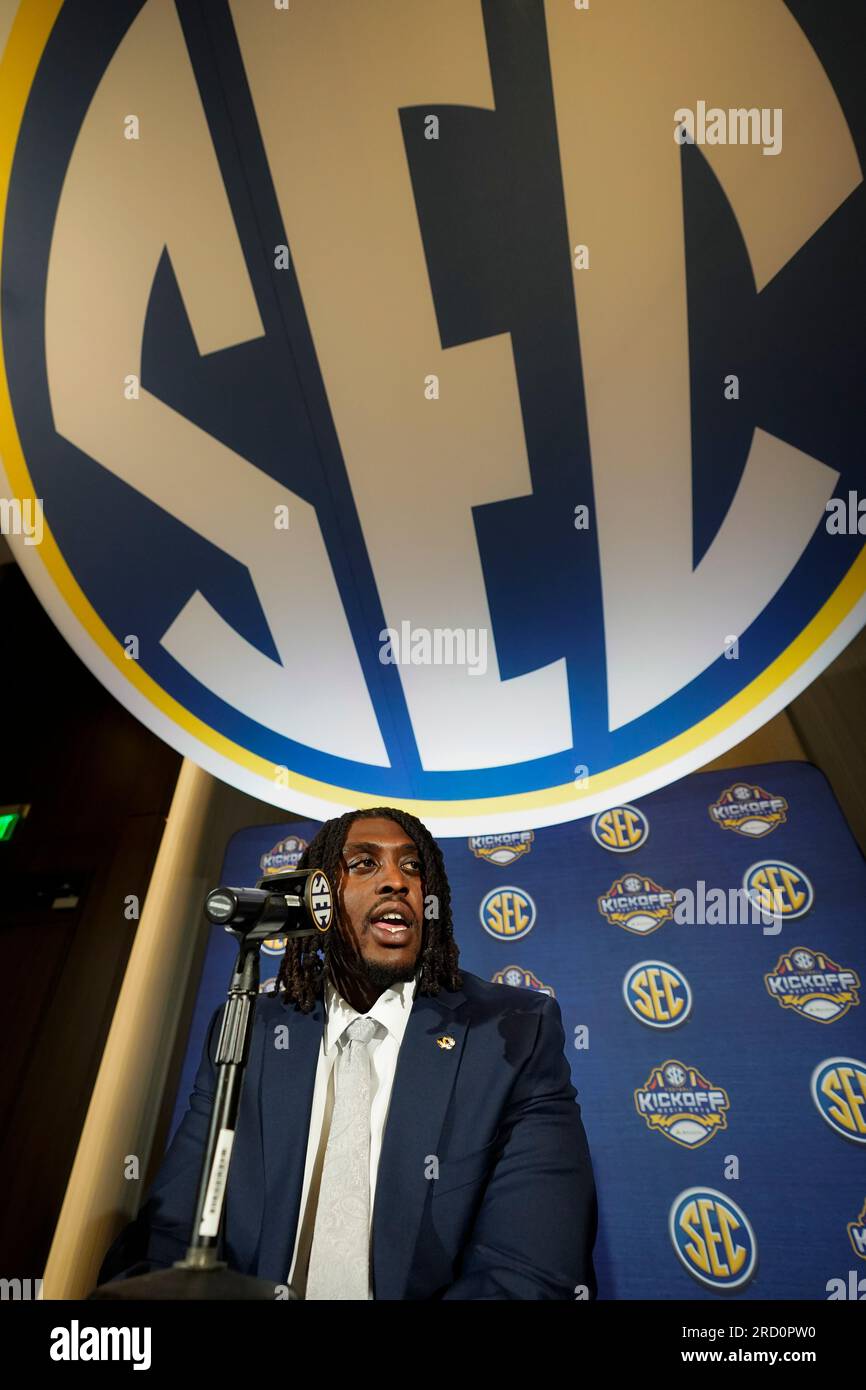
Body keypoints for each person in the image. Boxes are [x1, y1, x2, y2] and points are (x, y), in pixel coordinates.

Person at [97, 807, 598, 1299]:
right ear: (320, 900)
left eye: (413, 867)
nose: (396, 881)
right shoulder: (252, 1029)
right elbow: (169, 1233)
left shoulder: (513, 1032)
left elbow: (530, 1273)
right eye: (364, 864)